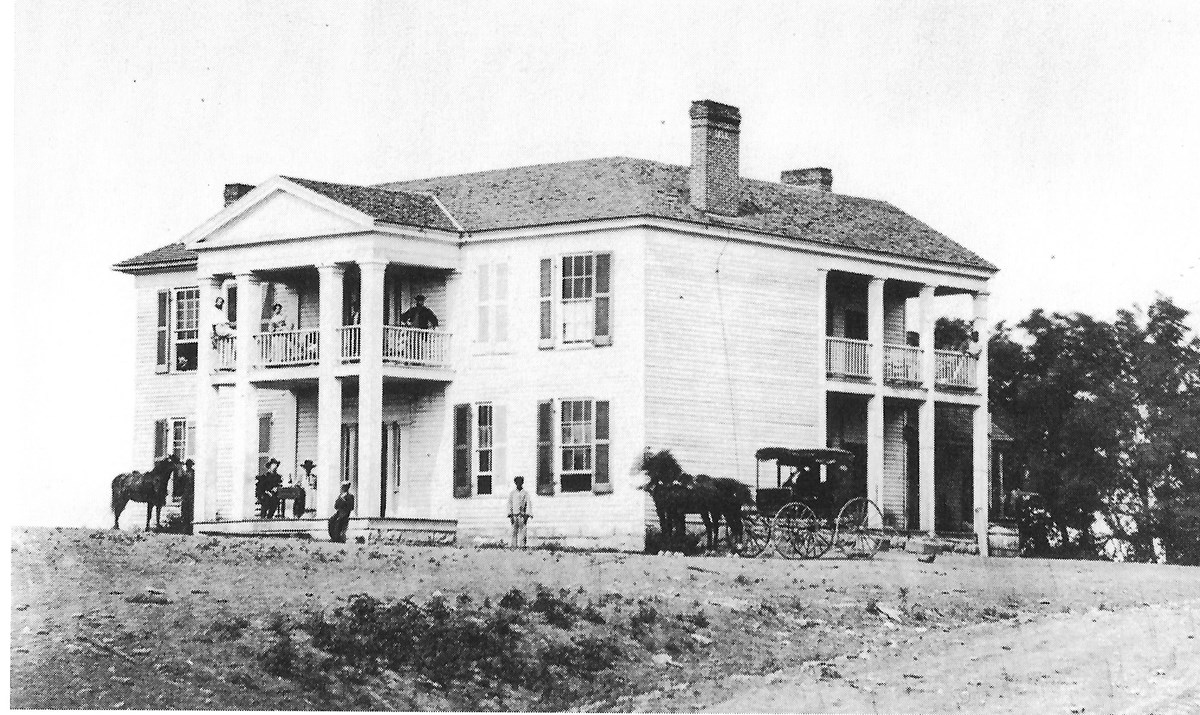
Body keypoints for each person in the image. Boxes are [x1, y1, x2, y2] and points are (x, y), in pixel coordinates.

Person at [507, 476, 532, 549]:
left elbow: (528, 503)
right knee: (514, 531)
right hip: (514, 515)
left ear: (522, 483)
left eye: (520, 482)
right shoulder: (512, 493)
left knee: (523, 531)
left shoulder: (525, 493)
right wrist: (510, 515)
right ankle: (514, 546)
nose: (519, 484)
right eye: (517, 483)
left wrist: (527, 515)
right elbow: (509, 504)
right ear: (515, 483)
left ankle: (522, 546)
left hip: (522, 515)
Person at [180, 459, 196, 535]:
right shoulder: (184, 473)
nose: (187, 466)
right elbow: (180, 484)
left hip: (191, 494)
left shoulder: (193, 473)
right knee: (184, 511)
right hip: (185, 494)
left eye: (189, 465)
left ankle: (190, 529)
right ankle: (185, 529)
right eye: (187, 465)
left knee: (190, 511)